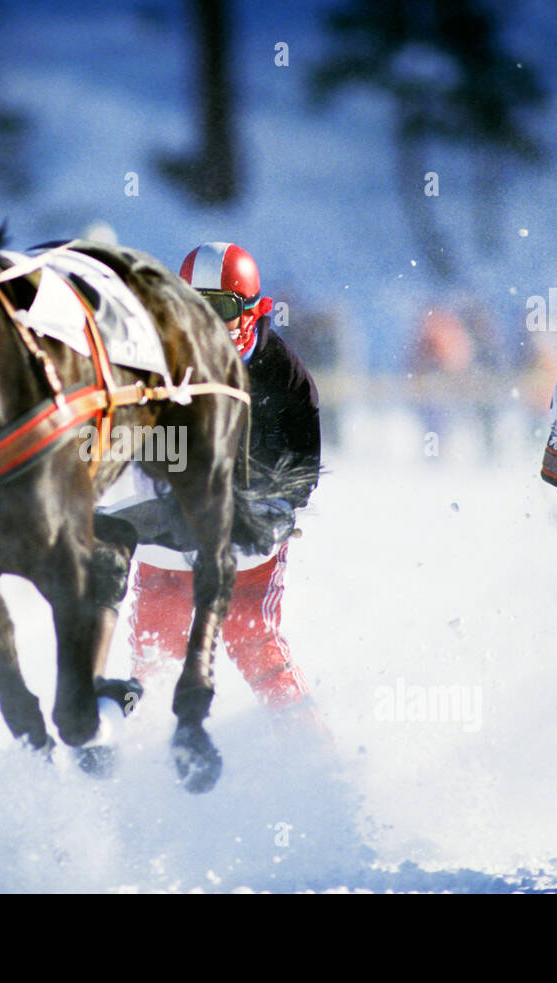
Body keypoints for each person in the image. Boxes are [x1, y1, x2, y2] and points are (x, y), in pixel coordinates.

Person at [117, 242, 323, 724]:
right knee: (157, 636)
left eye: (223, 307)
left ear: (252, 309)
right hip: (173, 521)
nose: (208, 321)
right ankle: (145, 739)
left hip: (249, 523)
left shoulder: (280, 373)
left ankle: (301, 733)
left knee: (248, 630)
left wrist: (275, 504)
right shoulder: (162, 362)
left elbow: (303, 459)